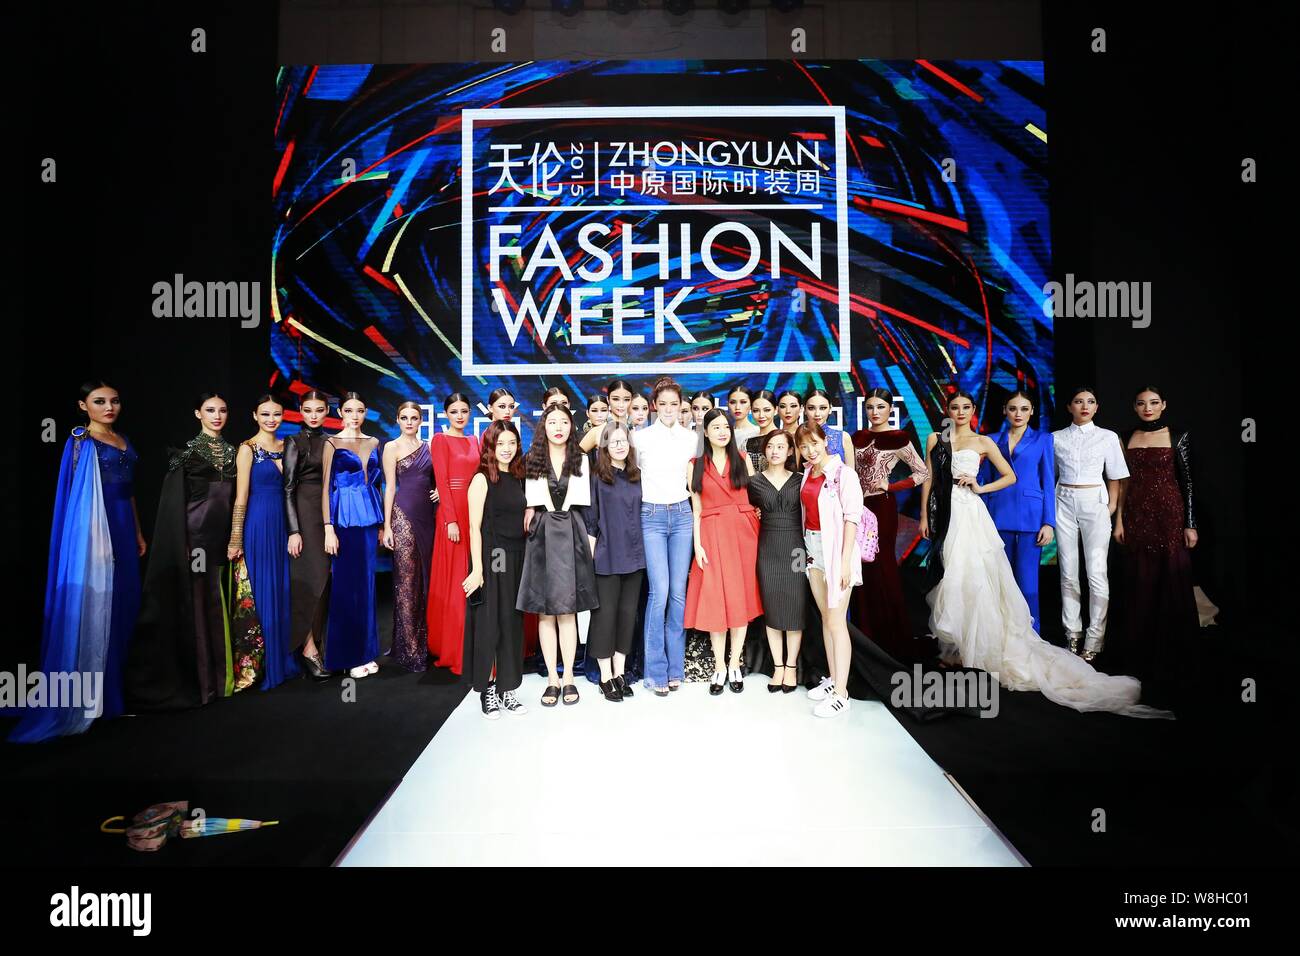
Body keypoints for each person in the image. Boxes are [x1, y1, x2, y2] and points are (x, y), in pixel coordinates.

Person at [920, 390, 1167, 717]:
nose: (961, 411)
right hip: (968, 514)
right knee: (958, 577)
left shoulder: (1006, 441)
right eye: (955, 407)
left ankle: (1028, 640)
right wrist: (926, 514)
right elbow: (930, 478)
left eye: (966, 406)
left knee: (1012, 583)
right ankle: (959, 647)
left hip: (1000, 512)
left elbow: (1035, 477)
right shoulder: (943, 438)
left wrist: (1042, 517)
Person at [9, 381, 146, 743]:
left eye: (114, 400)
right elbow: (75, 496)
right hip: (94, 533)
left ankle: (114, 698)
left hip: (123, 529)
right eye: (99, 402)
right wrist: (90, 543)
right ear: (83, 406)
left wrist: (136, 532)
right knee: (96, 608)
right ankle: (92, 701)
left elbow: (128, 491)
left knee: (123, 609)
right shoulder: (80, 442)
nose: (109, 407)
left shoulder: (124, 438)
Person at [127, 392, 239, 710]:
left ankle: (223, 680)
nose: (217, 415)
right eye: (209, 410)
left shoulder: (233, 452)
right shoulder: (187, 454)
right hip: (197, 538)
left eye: (222, 410)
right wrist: (185, 544)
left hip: (225, 539)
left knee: (220, 604)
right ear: (197, 414)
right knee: (201, 606)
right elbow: (174, 503)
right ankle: (205, 684)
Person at [1112, 386, 1199, 710]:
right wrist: (1119, 521)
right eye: (1141, 403)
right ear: (1134, 407)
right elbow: (1122, 482)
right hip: (1136, 514)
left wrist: (1190, 523)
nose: (1147, 408)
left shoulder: (1178, 435)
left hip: (1170, 515)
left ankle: (1176, 652)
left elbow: (1187, 481)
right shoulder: (1126, 436)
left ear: (1163, 405)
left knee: (1172, 581)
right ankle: (1141, 652)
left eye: (1153, 403)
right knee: (1140, 582)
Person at [518, 405, 598, 706]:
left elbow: (587, 504)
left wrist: (590, 538)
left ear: (571, 426)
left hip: (572, 530)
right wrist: (528, 508)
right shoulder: (531, 459)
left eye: (564, 421)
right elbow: (526, 498)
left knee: (567, 609)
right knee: (544, 610)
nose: (558, 427)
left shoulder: (582, 459)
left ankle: (568, 678)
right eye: (552, 422)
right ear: (544, 427)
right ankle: (552, 677)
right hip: (541, 531)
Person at [685, 408, 763, 695]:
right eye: (715, 427)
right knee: (716, 599)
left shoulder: (743, 460)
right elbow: (696, 510)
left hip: (744, 536)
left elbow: (757, 498)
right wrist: (698, 545)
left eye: (726, 427)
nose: (721, 432)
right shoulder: (693, 464)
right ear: (705, 432)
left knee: (739, 600)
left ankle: (734, 665)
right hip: (711, 534)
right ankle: (719, 667)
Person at [849, 388, 930, 663]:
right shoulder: (857, 436)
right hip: (855, 508)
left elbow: (922, 472)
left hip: (881, 508)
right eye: (870, 407)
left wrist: (892, 485)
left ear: (889, 409)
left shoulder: (898, 438)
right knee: (858, 567)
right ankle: (865, 633)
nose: (874, 412)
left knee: (882, 566)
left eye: (880, 407)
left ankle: (890, 637)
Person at [1052, 387, 1129, 660]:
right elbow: (1051, 474)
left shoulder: (1107, 437)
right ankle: (1072, 633)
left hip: (1095, 501)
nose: (1085, 406)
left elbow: (1117, 476)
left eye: (1091, 401)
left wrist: (1110, 506)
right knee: (1068, 572)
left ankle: (1095, 638)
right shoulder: (1056, 438)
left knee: (1096, 573)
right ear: (1069, 406)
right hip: (1063, 500)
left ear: (1097, 407)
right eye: (1078, 401)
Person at [227, 395, 297, 691]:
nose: (271, 419)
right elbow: (240, 496)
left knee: (283, 590)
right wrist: (235, 538)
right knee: (263, 589)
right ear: (255, 415)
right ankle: (265, 666)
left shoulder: (288, 446)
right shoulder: (247, 449)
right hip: (258, 522)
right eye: (265, 414)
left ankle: (283, 660)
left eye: (277, 414)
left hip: (285, 524)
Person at [633, 377, 698, 695]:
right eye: (664, 403)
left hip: (683, 516)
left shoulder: (690, 439)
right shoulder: (639, 438)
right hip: (652, 517)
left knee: (678, 593)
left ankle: (676, 668)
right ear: (654, 405)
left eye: (675, 403)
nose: (670, 409)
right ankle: (655, 671)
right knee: (658, 592)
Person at [796, 422, 864, 718]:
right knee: (826, 618)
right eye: (803, 446)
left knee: (837, 621)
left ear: (825, 441)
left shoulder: (843, 474)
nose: (810, 451)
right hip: (813, 550)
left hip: (837, 552)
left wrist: (846, 561)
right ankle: (834, 680)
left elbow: (852, 518)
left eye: (814, 443)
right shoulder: (808, 474)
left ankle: (842, 693)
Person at [462, 421, 529, 719]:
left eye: (511, 443)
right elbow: (473, 528)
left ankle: (508, 688)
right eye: (500, 443)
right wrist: (477, 570)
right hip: (491, 558)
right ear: (490, 446)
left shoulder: (518, 476)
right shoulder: (480, 479)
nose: (506, 448)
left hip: (516, 558)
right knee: (490, 626)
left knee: (512, 624)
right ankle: (487, 689)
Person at [978, 390, 1056, 632]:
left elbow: (1048, 482)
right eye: (1013, 408)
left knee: (1027, 584)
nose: (1018, 413)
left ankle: (1032, 637)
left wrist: (1049, 522)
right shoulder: (990, 439)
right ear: (1005, 411)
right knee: (999, 583)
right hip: (996, 515)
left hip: (1030, 519)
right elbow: (984, 479)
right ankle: (1001, 637)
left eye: (1024, 409)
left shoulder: (1043, 439)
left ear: (1032, 411)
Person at [322, 393, 383, 679]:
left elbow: (379, 484)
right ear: (340, 411)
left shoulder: (374, 442)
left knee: (367, 586)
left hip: (369, 519)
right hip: (342, 520)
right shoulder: (331, 443)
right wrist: (327, 527)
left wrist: (383, 524)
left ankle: (367, 651)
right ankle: (348, 656)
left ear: (366, 411)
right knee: (346, 589)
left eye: (359, 410)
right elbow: (324, 489)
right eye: (349, 410)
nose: (354, 415)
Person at [586, 421, 646, 702]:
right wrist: (589, 556)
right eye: (614, 442)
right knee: (604, 617)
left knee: (626, 616)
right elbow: (590, 521)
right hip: (607, 556)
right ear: (605, 447)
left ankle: (620, 673)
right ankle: (605, 676)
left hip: (635, 556)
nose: (620, 445)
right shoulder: (597, 477)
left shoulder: (637, 476)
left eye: (624, 441)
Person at [746, 430, 805, 693]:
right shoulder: (754, 482)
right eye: (770, 446)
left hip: (797, 550)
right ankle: (778, 666)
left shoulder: (802, 480)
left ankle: (791, 666)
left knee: (795, 606)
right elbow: (745, 513)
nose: (775, 451)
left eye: (781, 446)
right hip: (767, 548)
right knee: (772, 606)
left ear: (791, 451)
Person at [382, 401, 438, 672]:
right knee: (406, 582)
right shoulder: (391, 447)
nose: (409, 422)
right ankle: (411, 648)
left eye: (414, 418)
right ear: (397, 420)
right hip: (402, 516)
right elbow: (390, 487)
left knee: (425, 581)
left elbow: (436, 480)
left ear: (420, 421)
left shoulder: (429, 447)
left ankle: (427, 642)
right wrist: (388, 526)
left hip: (428, 518)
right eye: (404, 417)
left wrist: (439, 492)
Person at [427, 393, 481, 674]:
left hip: (474, 510)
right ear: (445, 414)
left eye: (464, 411)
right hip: (453, 514)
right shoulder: (440, 440)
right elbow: (443, 481)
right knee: (456, 578)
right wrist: (450, 520)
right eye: (454, 411)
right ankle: (454, 645)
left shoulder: (474, 440)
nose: (460, 416)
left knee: (474, 574)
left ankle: (473, 641)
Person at [283, 390, 333, 680]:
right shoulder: (294, 441)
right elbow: (287, 488)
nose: (314, 415)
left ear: (327, 411)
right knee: (310, 581)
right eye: (308, 410)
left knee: (325, 581)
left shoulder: (330, 441)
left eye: (319, 410)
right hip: (302, 512)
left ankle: (318, 643)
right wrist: (293, 530)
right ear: (301, 412)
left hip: (325, 515)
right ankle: (308, 648)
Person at [803, 389, 852, 465]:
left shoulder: (843, 437)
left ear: (830, 409)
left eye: (822, 408)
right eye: (811, 408)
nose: (817, 414)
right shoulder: (800, 437)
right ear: (805, 410)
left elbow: (851, 474)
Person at [744, 389, 782, 472]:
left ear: (775, 410)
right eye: (756, 410)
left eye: (767, 410)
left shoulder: (784, 438)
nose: (761, 415)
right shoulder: (746, 442)